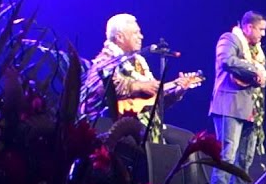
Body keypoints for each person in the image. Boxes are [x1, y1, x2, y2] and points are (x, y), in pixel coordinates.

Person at [78, 13, 199, 143]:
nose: (141, 36)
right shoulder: (106, 60)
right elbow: (102, 88)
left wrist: (177, 90)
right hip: (114, 127)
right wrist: (138, 86)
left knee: (189, 139)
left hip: (146, 125)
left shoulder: (139, 63)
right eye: (136, 33)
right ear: (120, 37)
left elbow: (152, 103)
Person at [207, 11, 266, 184]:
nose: (263, 34)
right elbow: (227, 61)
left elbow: (261, 78)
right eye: (261, 29)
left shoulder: (257, 52)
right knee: (227, 155)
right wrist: (255, 69)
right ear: (249, 27)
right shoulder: (230, 39)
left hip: (251, 110)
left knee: (245, 159)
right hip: (230, 105)